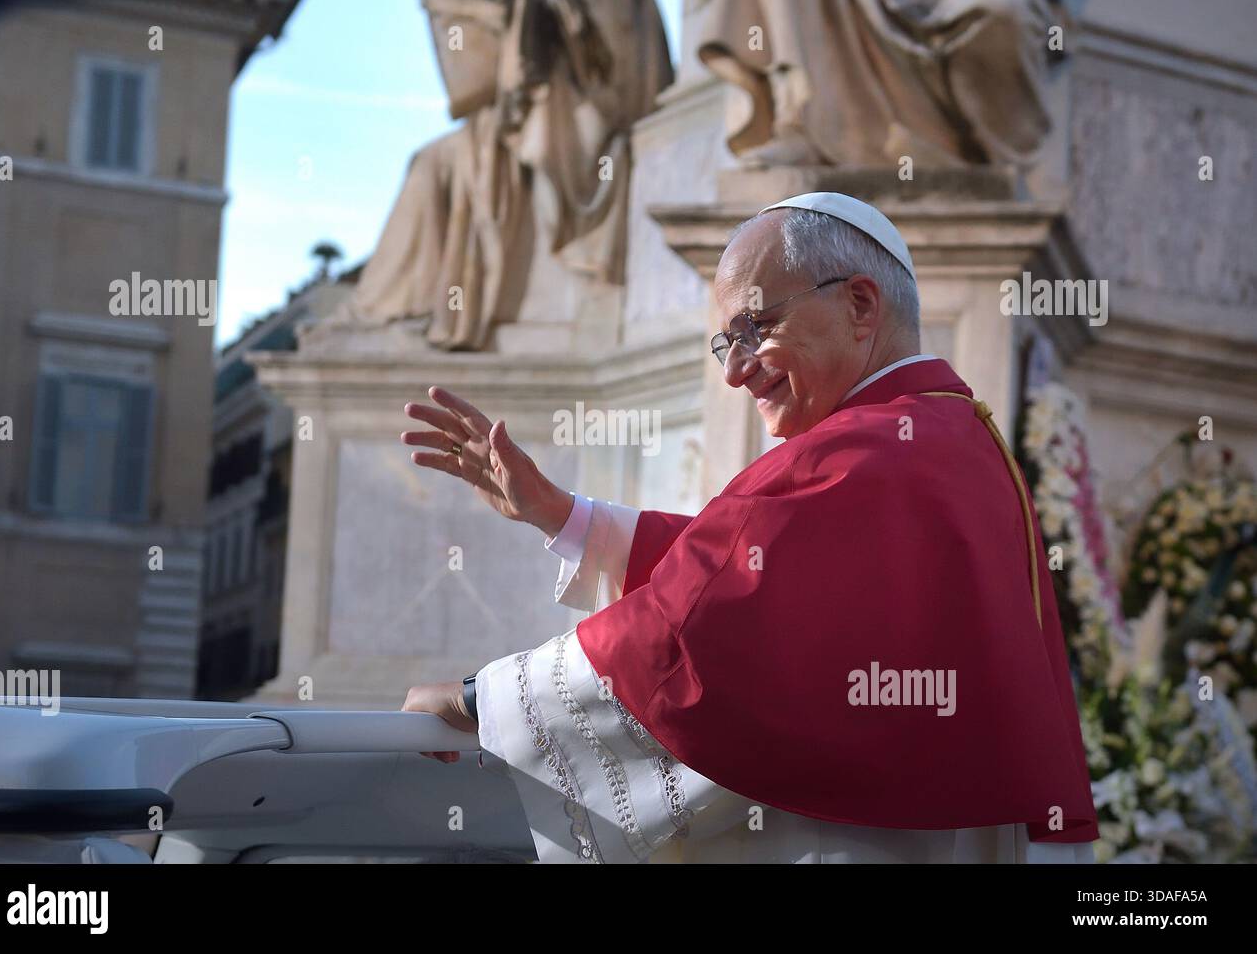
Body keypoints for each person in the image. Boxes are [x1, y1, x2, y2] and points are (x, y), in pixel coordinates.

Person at [400, 192, 1098, 863]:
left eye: (754, 329)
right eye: (723, 343)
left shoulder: (869, 450)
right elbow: (754, 574)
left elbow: (698, 624)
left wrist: (479, 698)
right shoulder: (936, 432)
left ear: (859, 305)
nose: (735, 372)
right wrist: (565, 514)